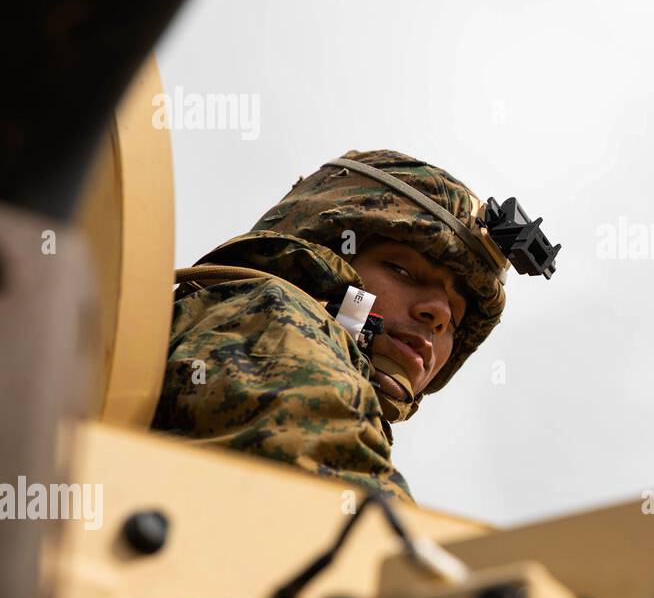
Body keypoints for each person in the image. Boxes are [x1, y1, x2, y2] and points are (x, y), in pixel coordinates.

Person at [149, 149, 538, 502]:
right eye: (401, 270)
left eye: (454, 316)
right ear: (325, 255)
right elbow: (350, 518)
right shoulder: (273, 316)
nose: (437, 314)